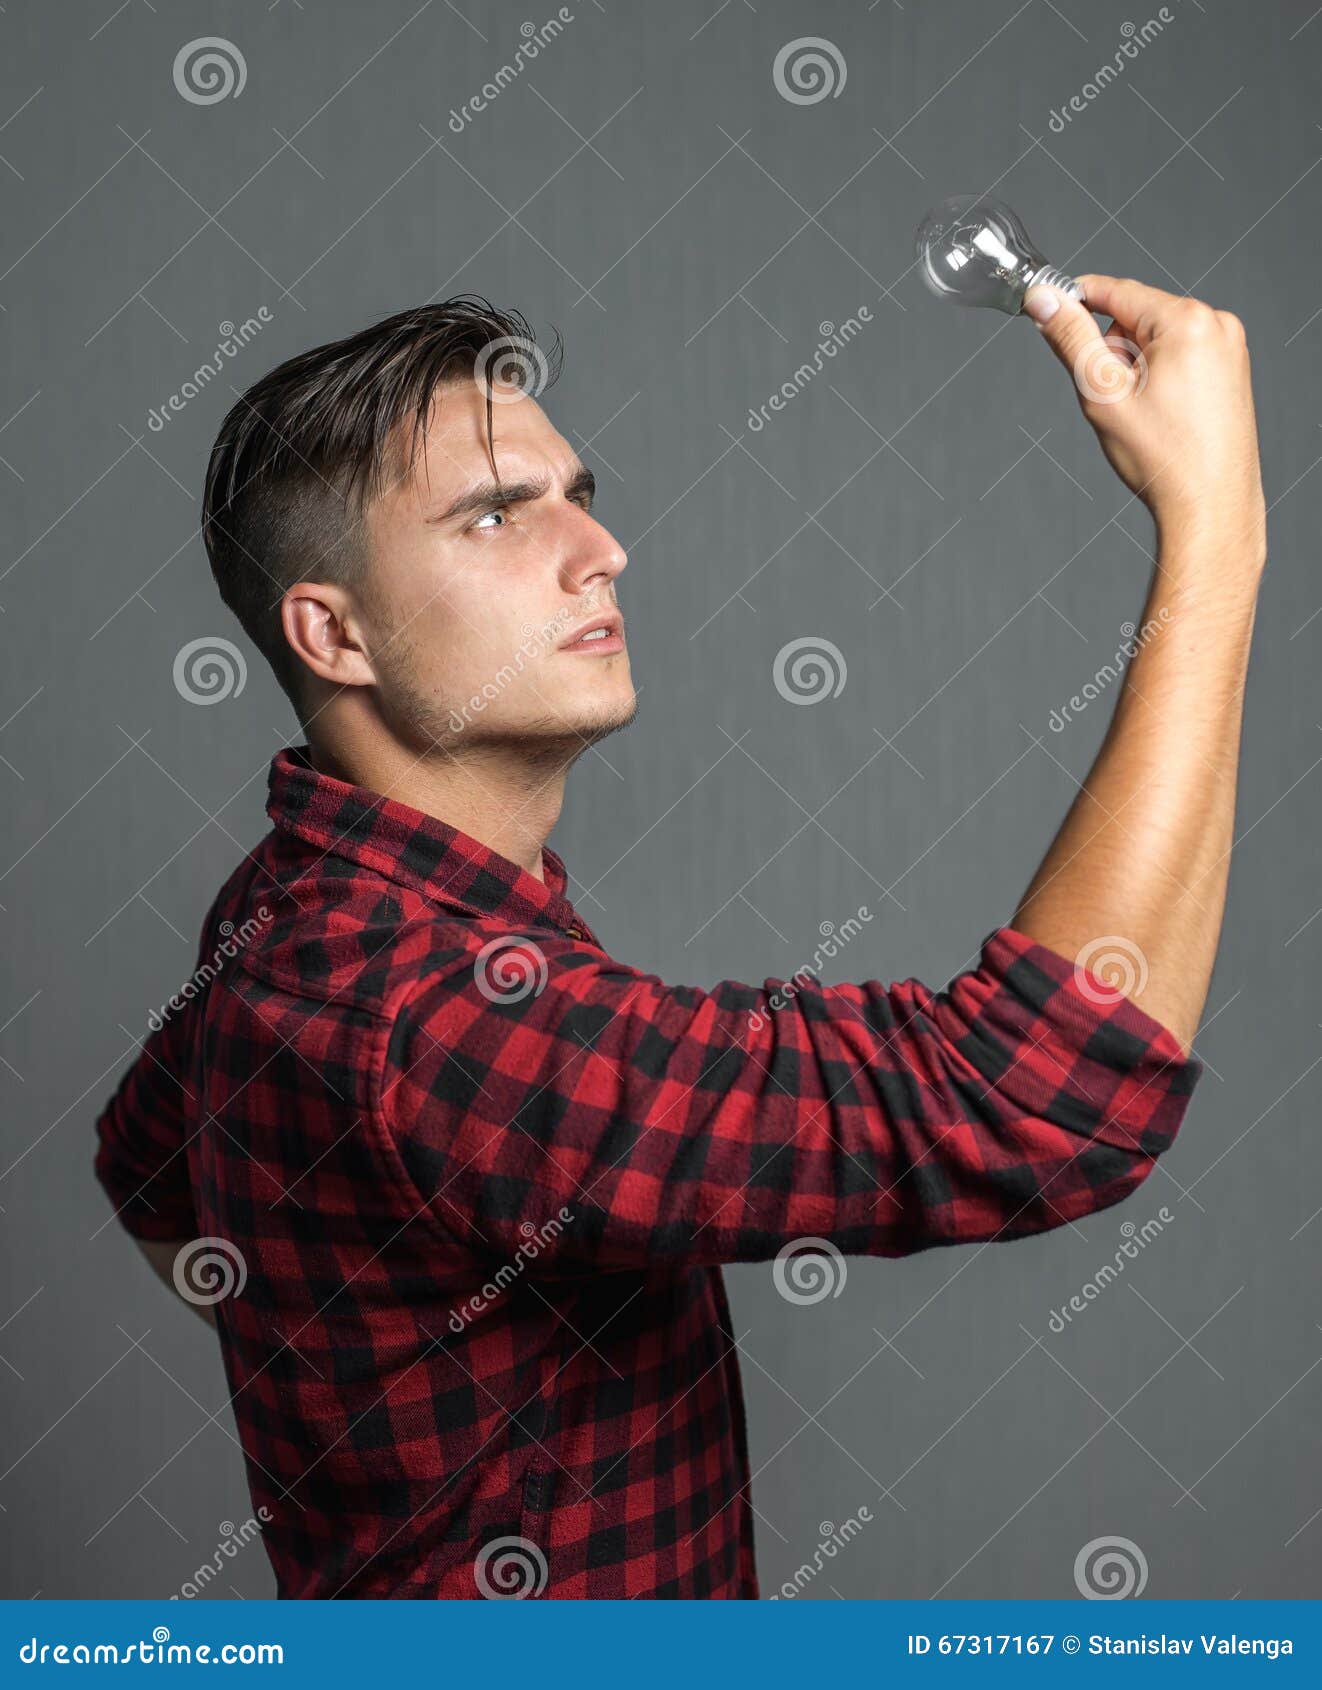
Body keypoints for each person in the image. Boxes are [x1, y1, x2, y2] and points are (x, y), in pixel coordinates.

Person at [94, 277, 1266, 1598]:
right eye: (493, 514)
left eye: (573, 493)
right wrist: (1215, 530)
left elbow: (151, 1169)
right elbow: (1041, 1095)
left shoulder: (303, 900)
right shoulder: (419, 1007)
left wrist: (382, 1355)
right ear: (334, 632)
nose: (598, 551)